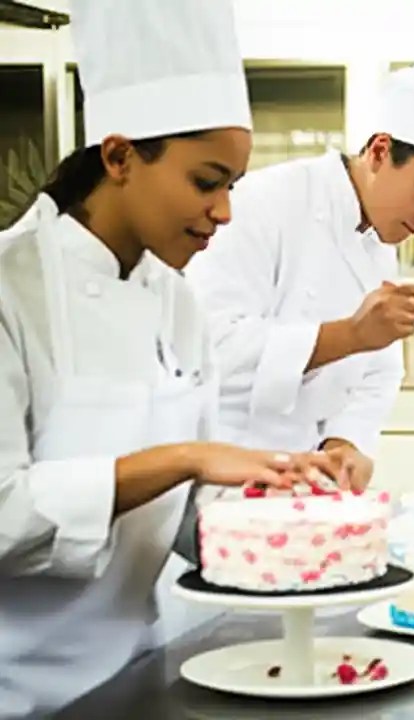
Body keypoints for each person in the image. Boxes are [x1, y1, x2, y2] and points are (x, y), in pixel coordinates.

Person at [0, 1, 342, 716]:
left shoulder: (178, 301)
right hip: (21, 689)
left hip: (140, 672)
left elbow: (187, 518)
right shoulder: (11, 288)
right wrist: (185, 458)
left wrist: (283, 512)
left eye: (232, 187)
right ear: (120, 155)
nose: (223, 212)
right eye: (205, 181)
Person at [183, 58, 414, 483]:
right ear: (380, 151)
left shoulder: (376, 240)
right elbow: (212, 350)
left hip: (305, 480)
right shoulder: (264, 205)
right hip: (223, 473)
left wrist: (345, 442)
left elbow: (379, 371)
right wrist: (348, 335)